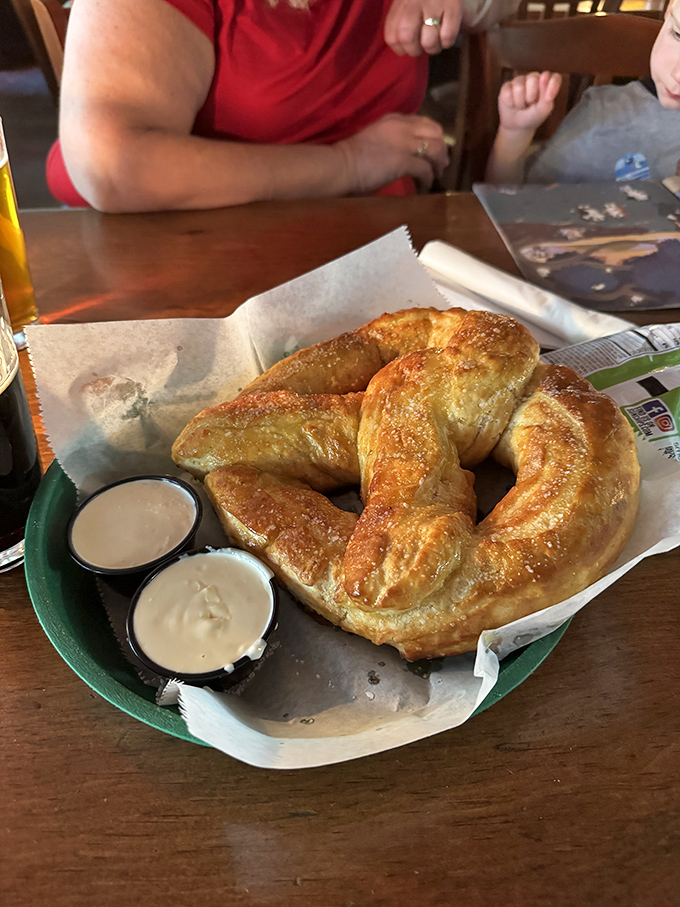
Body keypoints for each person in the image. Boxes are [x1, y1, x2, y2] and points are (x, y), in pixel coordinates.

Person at [49, 0, 519, 212]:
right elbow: (117, 165)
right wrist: (348, 164)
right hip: (208, 249)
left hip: (379, 239)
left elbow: (502, 6)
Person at [485, 0, 680, 185]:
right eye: (677, 34)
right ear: (669, 8)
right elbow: (508, 198)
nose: (677, 74)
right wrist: (514, 135)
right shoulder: (605, 115)